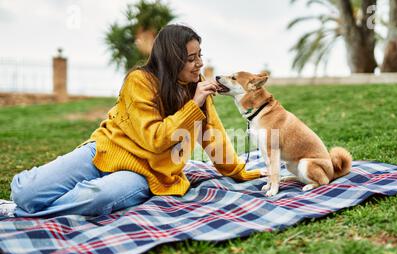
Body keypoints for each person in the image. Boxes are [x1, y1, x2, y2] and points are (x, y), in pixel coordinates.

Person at [0, 24, 262, 219]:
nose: (199, 64)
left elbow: (212, 135)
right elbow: (155, 138)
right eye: (191, 58)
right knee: (26, 193)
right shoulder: (139, 81)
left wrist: (238, 171)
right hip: (105, 150)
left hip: (147, 172)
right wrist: (193, 105)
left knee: (97, 197)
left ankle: (22, 215)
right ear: (171, 58)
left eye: (199, 56)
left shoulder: (196, 91)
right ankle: (22, 205)